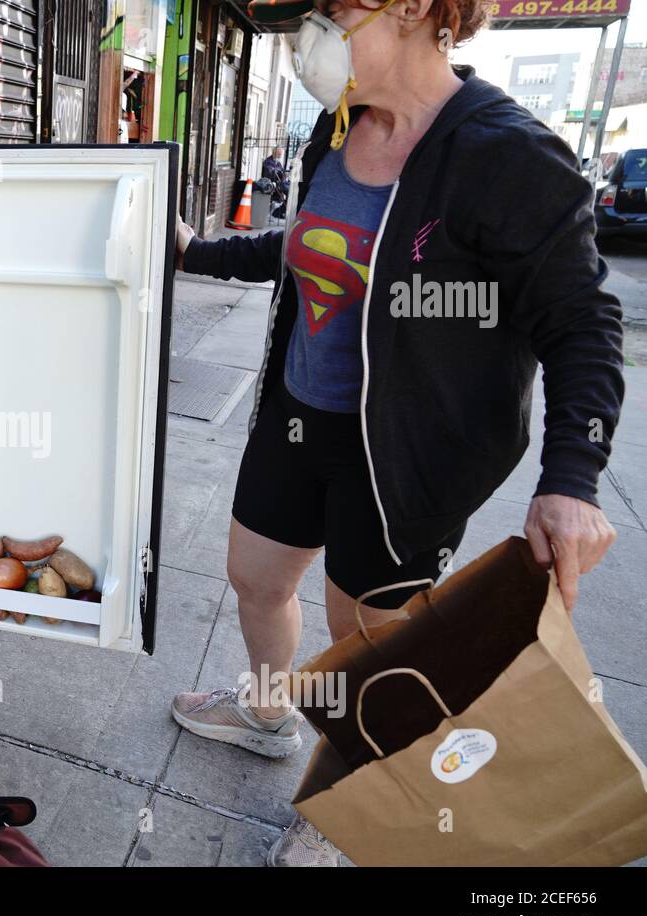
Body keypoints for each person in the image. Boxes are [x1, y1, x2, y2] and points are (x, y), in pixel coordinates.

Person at [171, 0, 623, 866]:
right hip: (299, 416)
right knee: (256, 580)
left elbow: (582, 321)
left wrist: (572, 478)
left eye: (332, 9)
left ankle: (346, 804)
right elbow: (303, 248)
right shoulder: (334, 128)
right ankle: (268, 711)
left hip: (407, 454)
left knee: (367, 645)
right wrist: (197, 252)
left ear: (414, 8)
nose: (313, 30)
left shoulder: (505, 154)